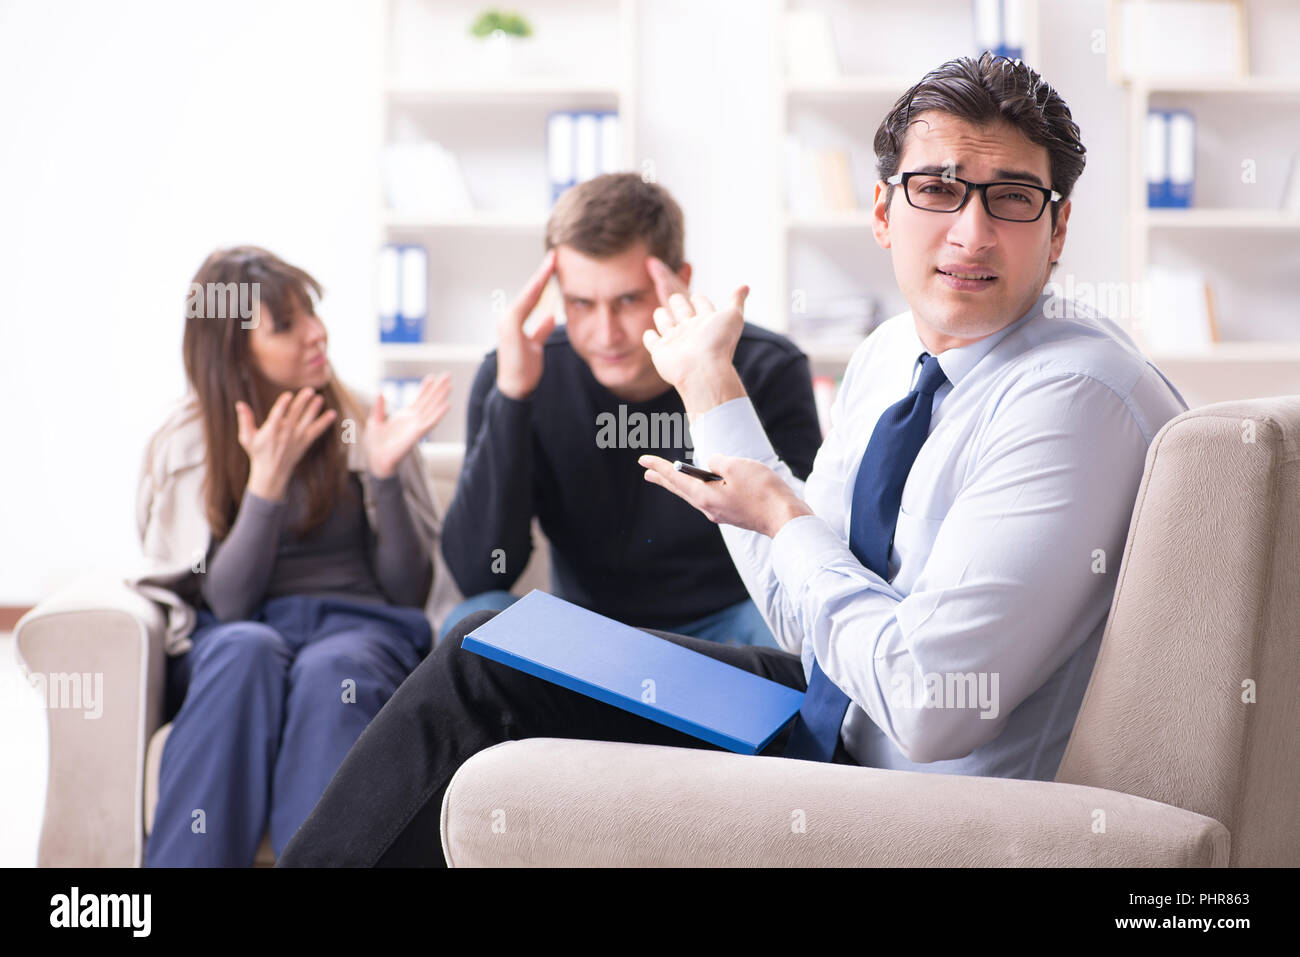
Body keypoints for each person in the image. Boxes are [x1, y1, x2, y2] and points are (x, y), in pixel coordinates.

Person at [277, 54, 1188, 867]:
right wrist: (717, 412)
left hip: (903, 779)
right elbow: (801, 599)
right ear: (882, 210)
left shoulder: (1073, 397)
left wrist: (749, 461)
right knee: (486, 649)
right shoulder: (889, 353)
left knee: (496, 670)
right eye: (938, 189)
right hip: (829, 701)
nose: (971, 233)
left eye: (1012, 197)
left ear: (1058, 230)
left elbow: (930, 702)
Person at [131, 246, 452, 866]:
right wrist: (264, 491)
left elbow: (408, 591)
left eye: (311, 311)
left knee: (335, 674)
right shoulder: (189, 441)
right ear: (233, 350)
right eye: (286, 325)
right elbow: (227, 602)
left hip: (362, 629)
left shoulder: (366, 420)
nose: (316, 332)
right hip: (244, 631)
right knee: (241, 651)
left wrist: (384, 476)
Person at [437, 172, 822, 647]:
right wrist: (513, 398)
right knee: (473, 620)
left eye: (627, 300)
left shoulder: (768, 366)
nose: (605, 333)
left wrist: (708, 376)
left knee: (804, 630)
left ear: (678, 282)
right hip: (583, 632)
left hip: (731, 628)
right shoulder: (520, 369)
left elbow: (803, 552)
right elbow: (479, 574)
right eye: (580, 303)